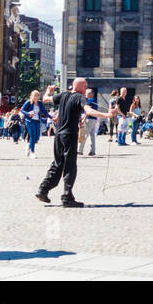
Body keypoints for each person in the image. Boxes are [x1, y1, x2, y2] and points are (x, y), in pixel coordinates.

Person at [36, 78, 110, 207]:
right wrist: (107, 115)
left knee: (58, 163)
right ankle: (67, 197)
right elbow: (89, 111)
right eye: (85, 86)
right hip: (70, 135)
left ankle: (43, 190)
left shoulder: (64, 95)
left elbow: (45, 99)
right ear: (79, 86)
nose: (86, 88)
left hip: (59, 135)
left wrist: (48, 91)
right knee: (70, 165)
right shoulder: (80, 97)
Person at [20, 90, 48, 159]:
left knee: (37, 137)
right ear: (32, 96)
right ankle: (32, 153)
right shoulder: (28, 102)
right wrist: (28, 113)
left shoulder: (40, 103)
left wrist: (51, 117)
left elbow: (44, 111)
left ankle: (28, 147)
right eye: (35, 95)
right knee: (32, 136)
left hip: (37, 121)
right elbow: (22, 110)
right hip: (30, 121)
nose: (36, 97)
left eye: (37, 95)